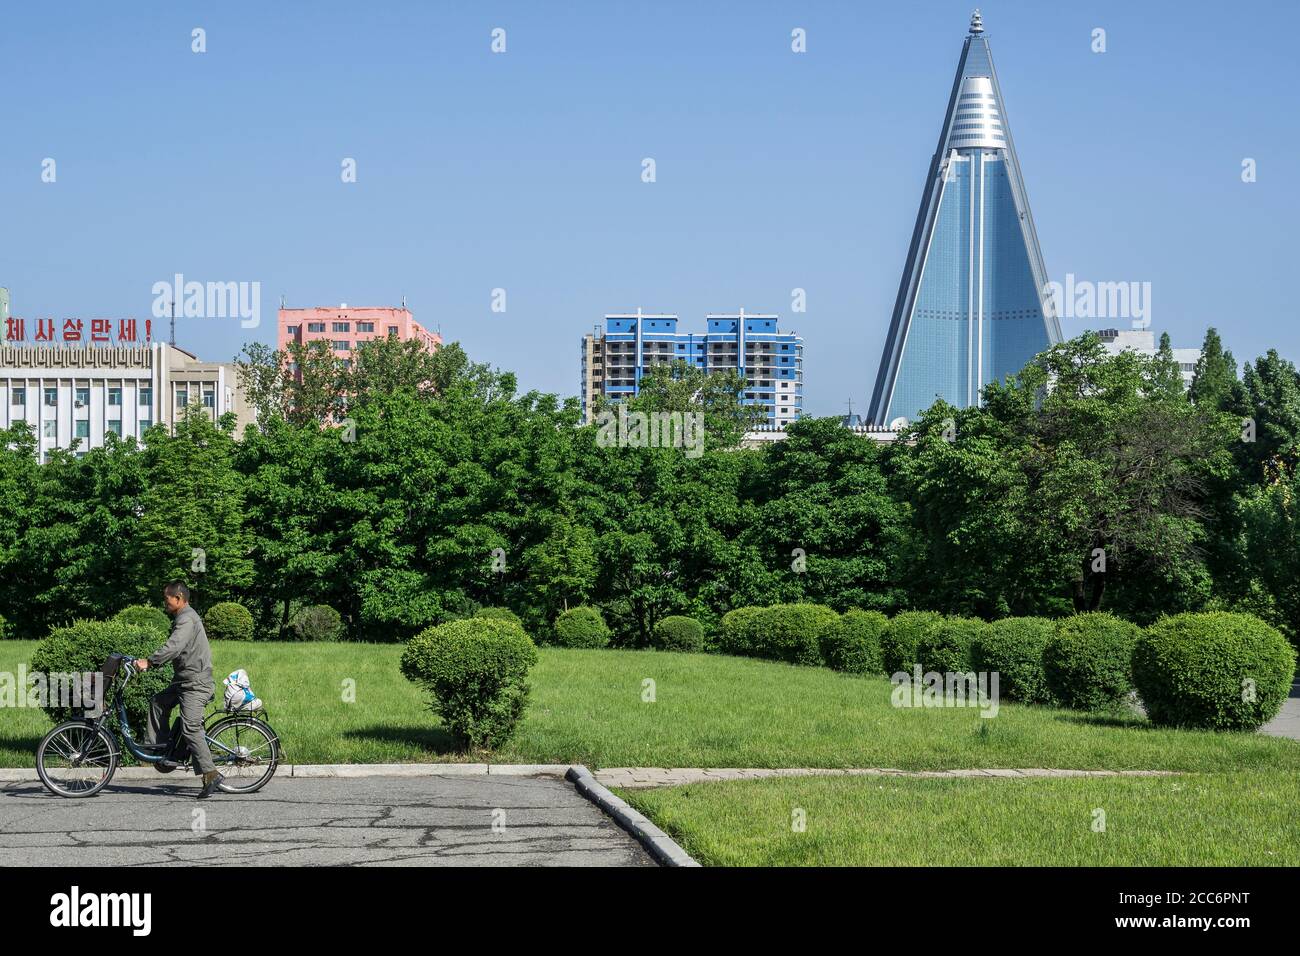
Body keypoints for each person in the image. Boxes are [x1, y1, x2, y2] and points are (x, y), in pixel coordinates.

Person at [135, 582, 224, 798]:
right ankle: (160, 749)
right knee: (158, 702)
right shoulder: (183, 617)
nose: (165, 605)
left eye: (167, 600)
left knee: (191, 727)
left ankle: (211, 774)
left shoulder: (186, 618)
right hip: (183, 681)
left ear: (179, 598)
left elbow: (174, 646)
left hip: (195, 684)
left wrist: (150, 661)